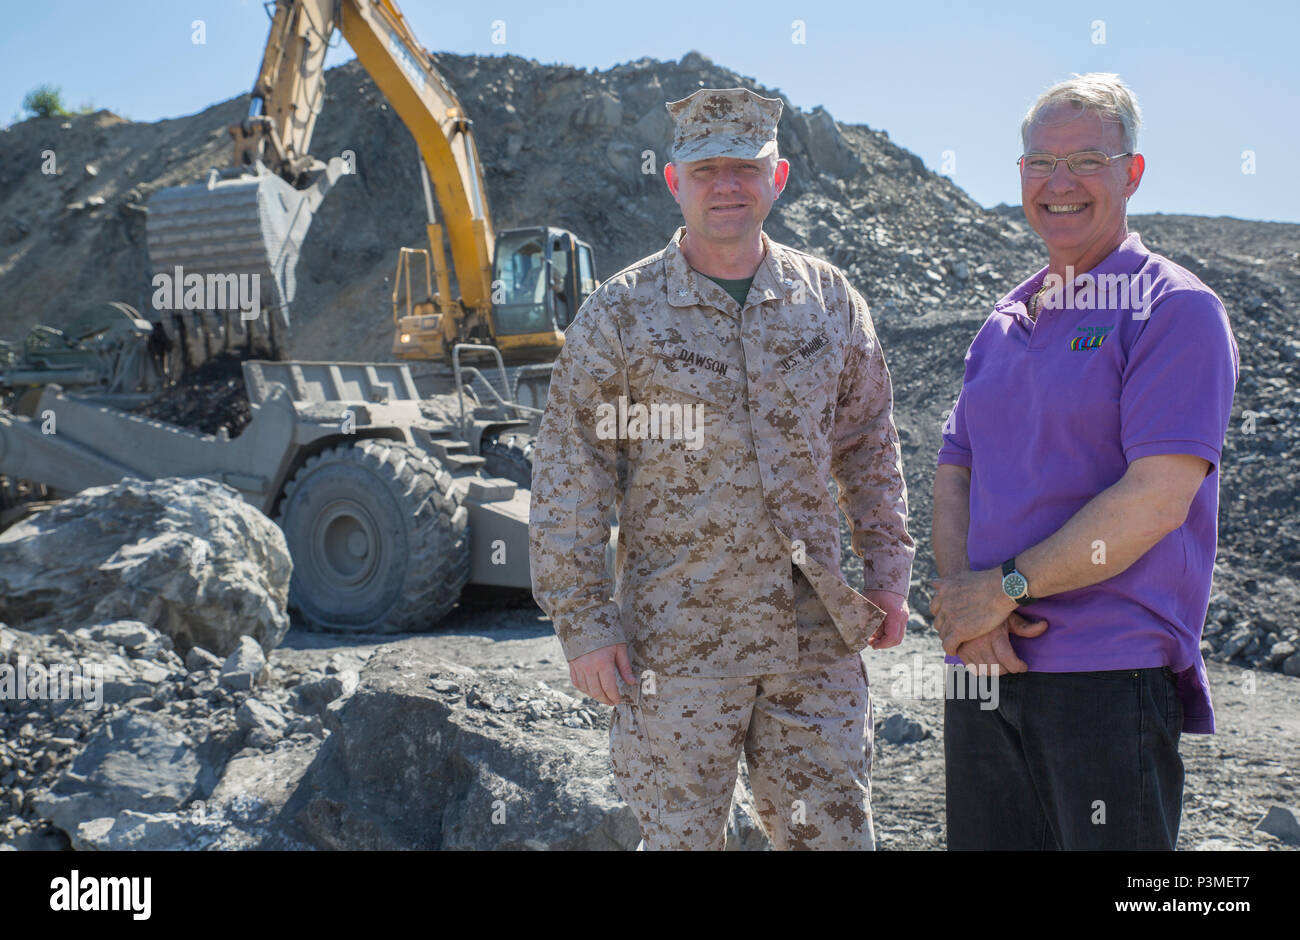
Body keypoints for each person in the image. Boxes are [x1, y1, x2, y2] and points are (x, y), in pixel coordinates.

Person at [529, 87, 914, 850]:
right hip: (674, 648)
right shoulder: (620, 314)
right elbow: (573, 470)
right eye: (706, 170)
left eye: (747, 166)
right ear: (675, 182)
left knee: (832, 837)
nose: (727, 185)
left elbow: (869, 444)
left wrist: (888, 573)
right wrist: (583, 621)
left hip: (813, 642)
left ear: (780, 175)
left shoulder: (829, 301)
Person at [930, 73, 1239, 850]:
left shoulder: (1174, 309)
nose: (1059, 183)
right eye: (1040, 163)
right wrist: (969, 619)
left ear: (1131, 173)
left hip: (1106, 673)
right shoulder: (1001, 323)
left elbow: (1157, 497)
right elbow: (954, 470)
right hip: (983, 669)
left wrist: (1004, 589)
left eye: (1086, 161)